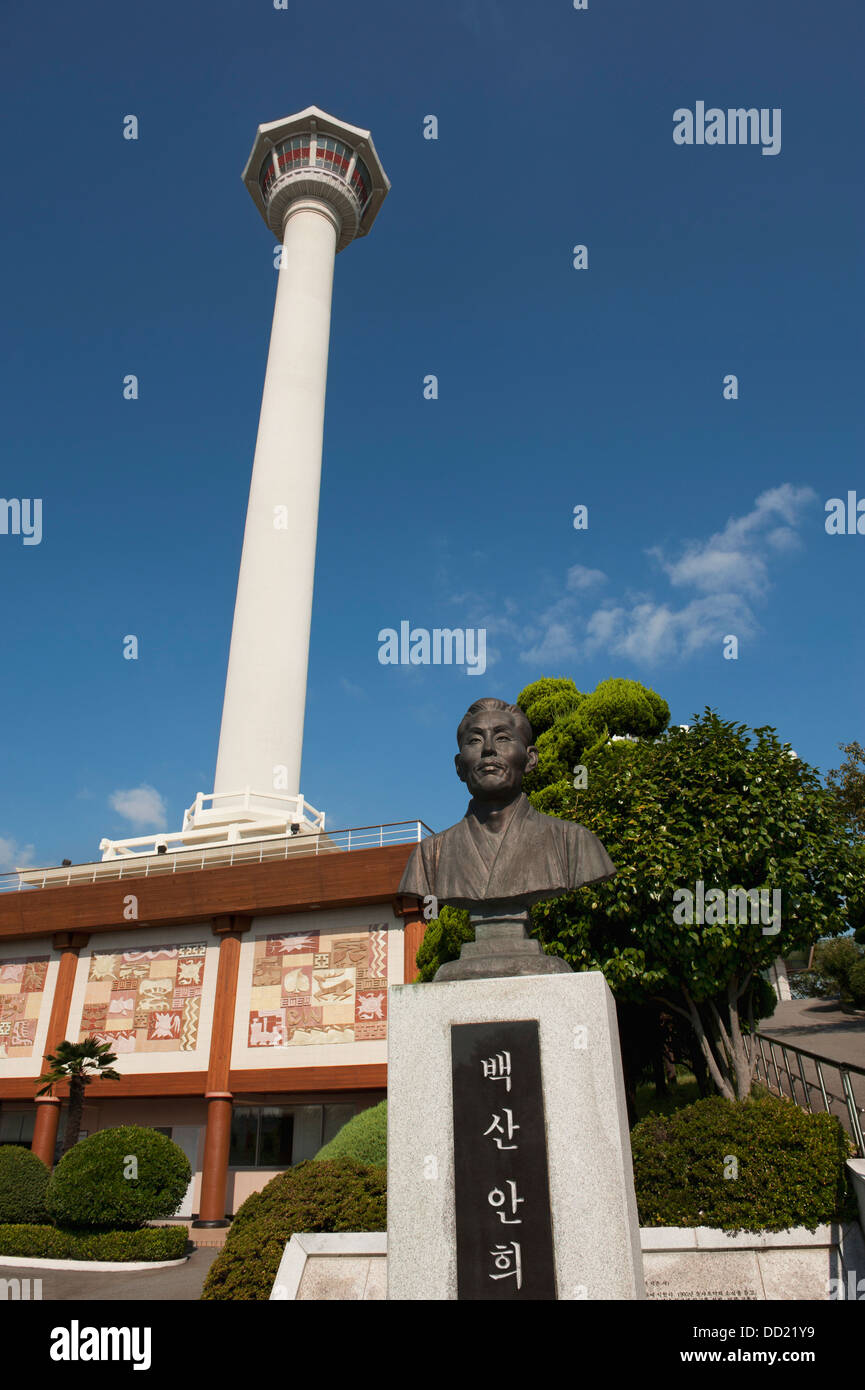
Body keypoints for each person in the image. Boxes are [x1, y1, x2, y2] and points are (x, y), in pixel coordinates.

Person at [399, 696, 615, 911]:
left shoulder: (573, 842)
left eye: (502, 738)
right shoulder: (428, 857)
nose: (488, 749)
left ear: (530, 759)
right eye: (475, 740)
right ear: (459, 766)